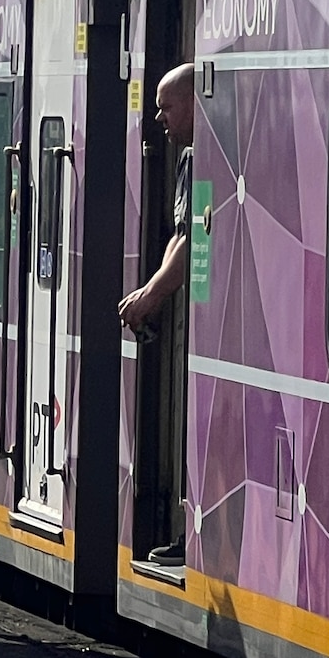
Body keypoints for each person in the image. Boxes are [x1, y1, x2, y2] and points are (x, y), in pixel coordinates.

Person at [119, 63, 194, 566]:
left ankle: (191, 541)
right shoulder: (191, 156)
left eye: (167, 107)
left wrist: (151, 296)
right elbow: (180, 234)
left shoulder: (201, 154)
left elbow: (194, 240)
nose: (159, 118)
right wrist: (151, 288)